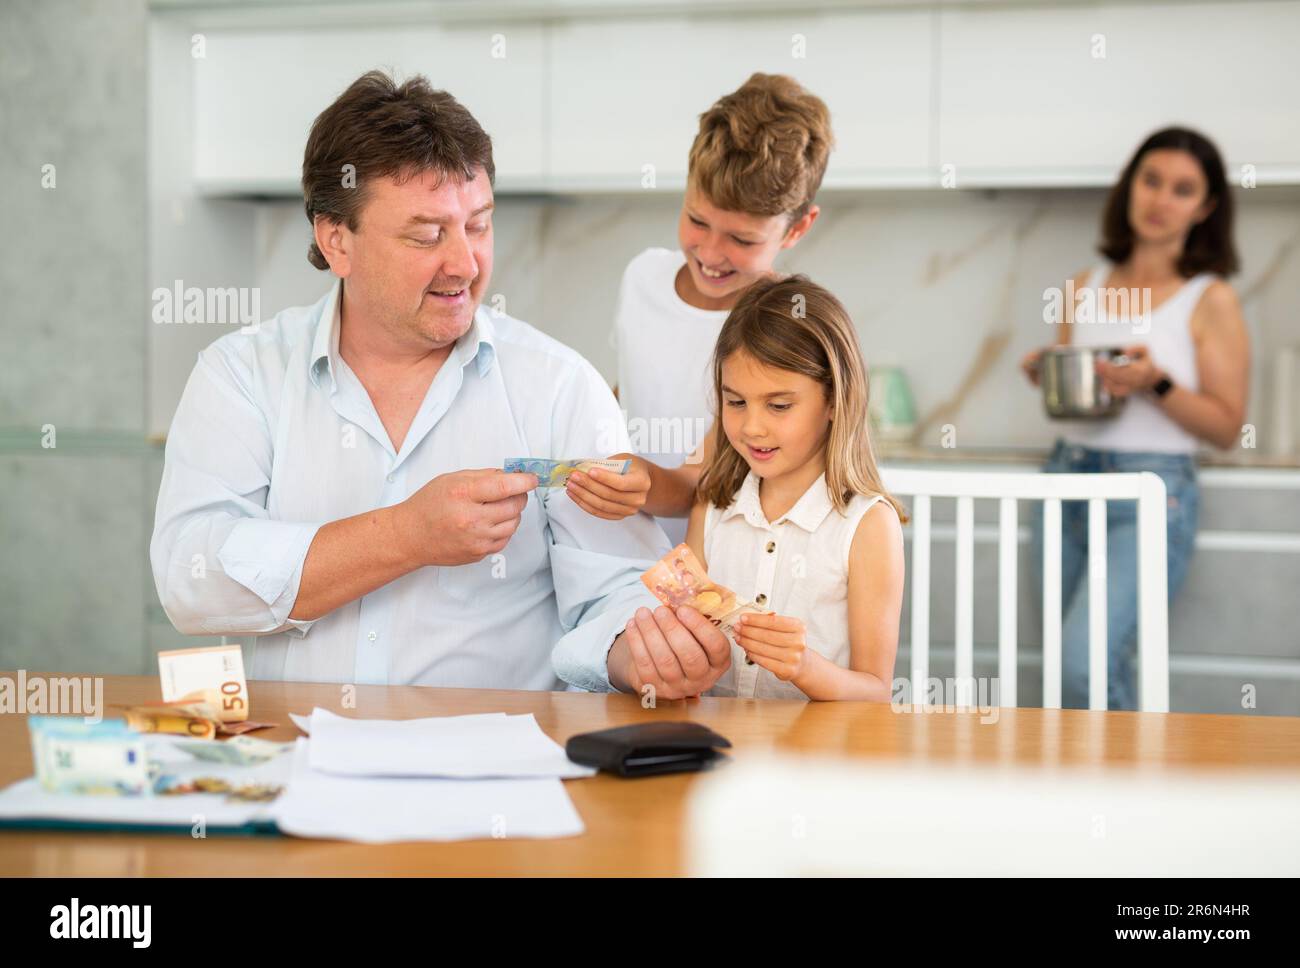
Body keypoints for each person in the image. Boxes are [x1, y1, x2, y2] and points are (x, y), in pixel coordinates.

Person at [151, 70, 684, 690]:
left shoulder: (560, 385)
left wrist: (643, 653)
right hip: (297, 767)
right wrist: (405, 535)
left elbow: (616, 595)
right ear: (336, 241)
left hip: (496, 773)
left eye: (478, 225)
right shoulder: (242, 374)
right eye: (427, 235)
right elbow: (191, 575)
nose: (465, 262)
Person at [557, 276, 906, 700]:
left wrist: (805, 667)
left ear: (835, 399)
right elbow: (688, 634)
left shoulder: (868, 525)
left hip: (814, 758)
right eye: (735, 402)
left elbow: (875, 693)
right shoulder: (713, 505)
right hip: (716, 748)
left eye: (779, 406)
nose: (752, 427)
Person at [1020, 127, 1250, 710]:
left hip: (1149, 492)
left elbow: (1226, 428)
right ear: (1130, 187)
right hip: (1066, 478)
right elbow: (1078, 399)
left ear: (1206, 207)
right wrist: (1051, 373)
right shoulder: (1082, 287)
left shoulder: (1209, 298)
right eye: (1151, 180)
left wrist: (1156, 383)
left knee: (1085, 664)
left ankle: (1125, 798)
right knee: (1065, 673)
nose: (1160, 199)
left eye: (1182, 189)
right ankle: (1090, 796)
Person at [564, 74, 832, 541]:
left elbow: (700, 481)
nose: (710, 252)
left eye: (741, 239)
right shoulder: (642, 277)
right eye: (696, 220)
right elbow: (635, 386)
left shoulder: (782, 322)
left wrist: (636, 480)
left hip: (722, 559)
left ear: (797, 229)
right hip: (632, 547)